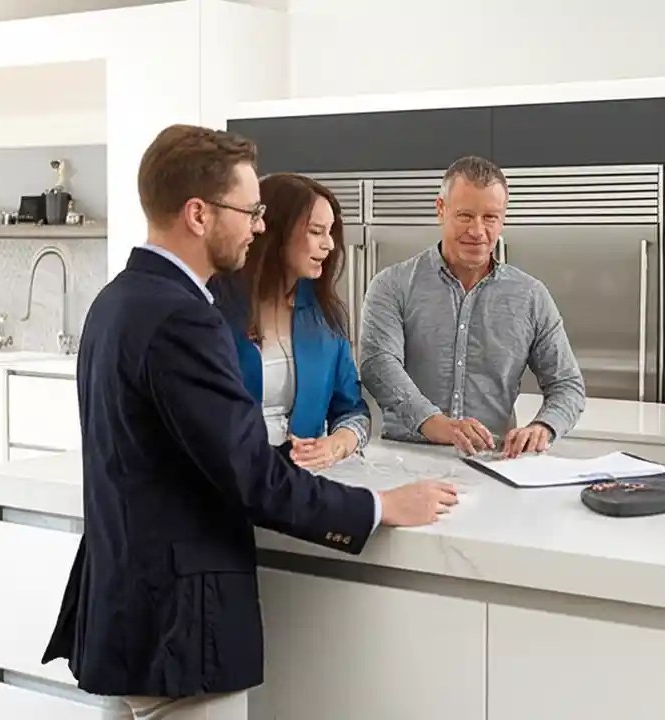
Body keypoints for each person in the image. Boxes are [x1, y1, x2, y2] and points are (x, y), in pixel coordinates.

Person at [40, 124, 459, 719]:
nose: (258, 226)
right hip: (180, 626)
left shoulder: (118, 300)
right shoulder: (186, 319)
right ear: (198, 214)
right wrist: (380, 508)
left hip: (126, 613)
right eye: (249, 210)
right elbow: (251, 476)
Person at [358, 155, 586, 459]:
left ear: (503, 217)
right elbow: (378, 366)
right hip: (405, 456)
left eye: (490, 217)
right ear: (441, 209)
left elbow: (567, 384)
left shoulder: (531, 296)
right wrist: (435, 423)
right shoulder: (392, 285)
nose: (478, 231)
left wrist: (544, 427)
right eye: (465, 215)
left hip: (492, 461)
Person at [210, 172, 368, 472]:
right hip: (226, 484)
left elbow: (352, 410)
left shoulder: (323, 314)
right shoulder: (214, 306)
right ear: (275, 233)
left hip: (296, 486)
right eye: (316, 231)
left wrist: (338, 443)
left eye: (330, 232)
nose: (329, 245)